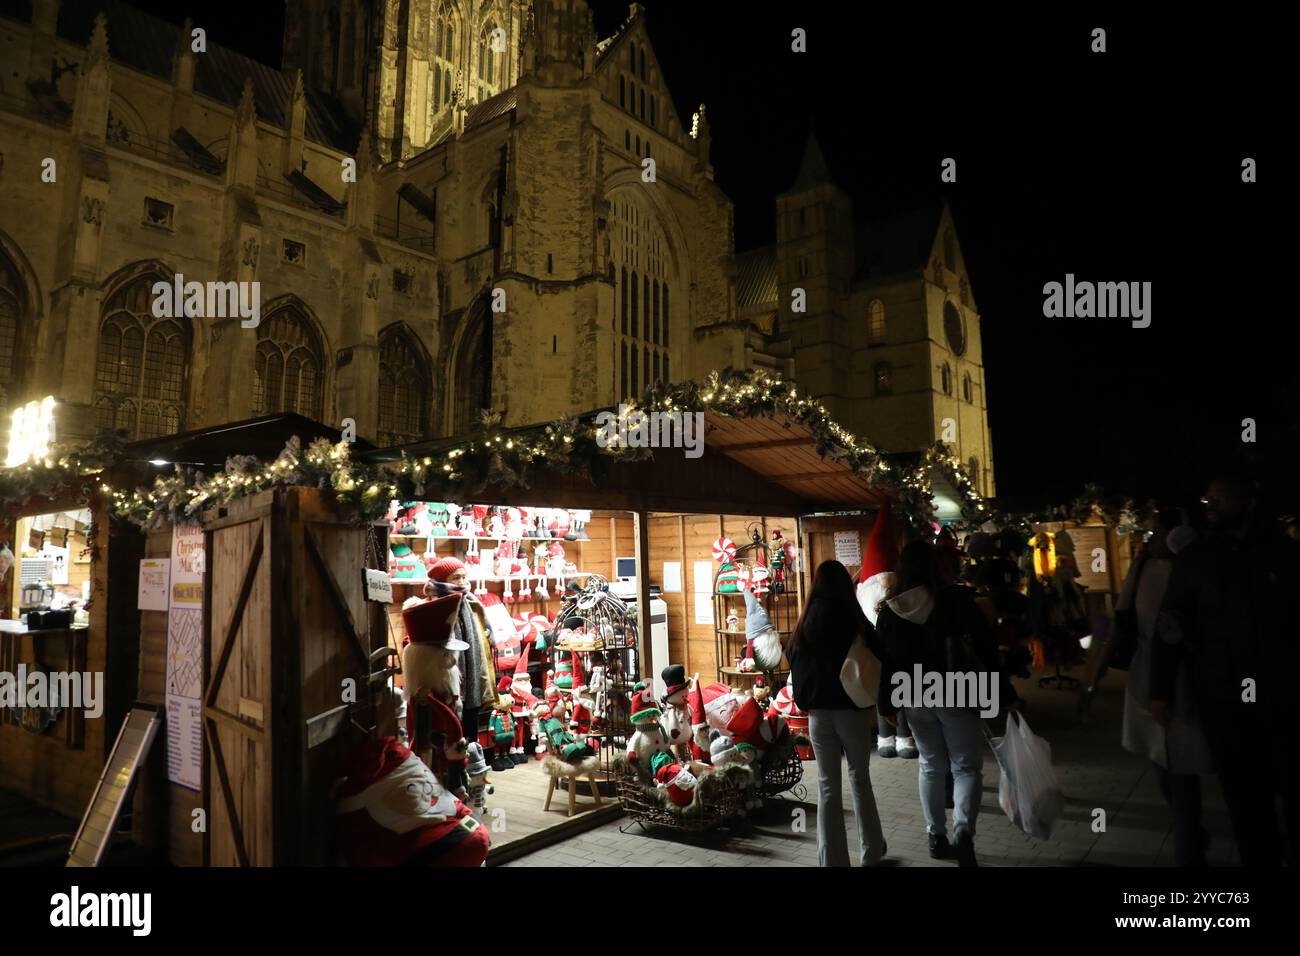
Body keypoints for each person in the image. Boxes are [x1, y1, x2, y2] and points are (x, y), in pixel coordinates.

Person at [1153, 475, 1300, 866]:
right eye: (1208, 499)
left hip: (1284, 700)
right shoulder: (1197, 559)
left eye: (1220, 498)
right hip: (1226, 703)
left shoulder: (1283, 554)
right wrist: (1161, 690)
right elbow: (1169, 626)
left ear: (1247, 502)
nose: (1211, 505)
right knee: (1247, 803)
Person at [875, 541, 1014, 867]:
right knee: (965, 766)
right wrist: (1004, 694)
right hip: (959, 692)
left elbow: (886, 664)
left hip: (913, 695)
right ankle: (964, 831)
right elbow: (986, 647)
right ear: (936, 566)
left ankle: (935, 835)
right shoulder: (956, 600)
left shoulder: (889, 611)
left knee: (930, 764)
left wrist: (887, 706)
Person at [1117, 507, 1211, 866]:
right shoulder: (1143, 568)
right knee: (1160, 761)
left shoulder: (1194, 572)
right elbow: (1124, 617)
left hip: (1183, 680)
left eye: (1158, 532)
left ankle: (1189, 846)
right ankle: (1190, 833)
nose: (1151, 539)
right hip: (1146, 675)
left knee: (1180, 764)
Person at [787, 560, 889, 867]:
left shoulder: (805, 620)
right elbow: (881, 651)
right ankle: (871, 851)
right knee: (860, 779)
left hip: (818, 714)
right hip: (851, 710)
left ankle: (831, 859)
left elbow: (792, 656)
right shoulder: (852, 617)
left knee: (827, 784)